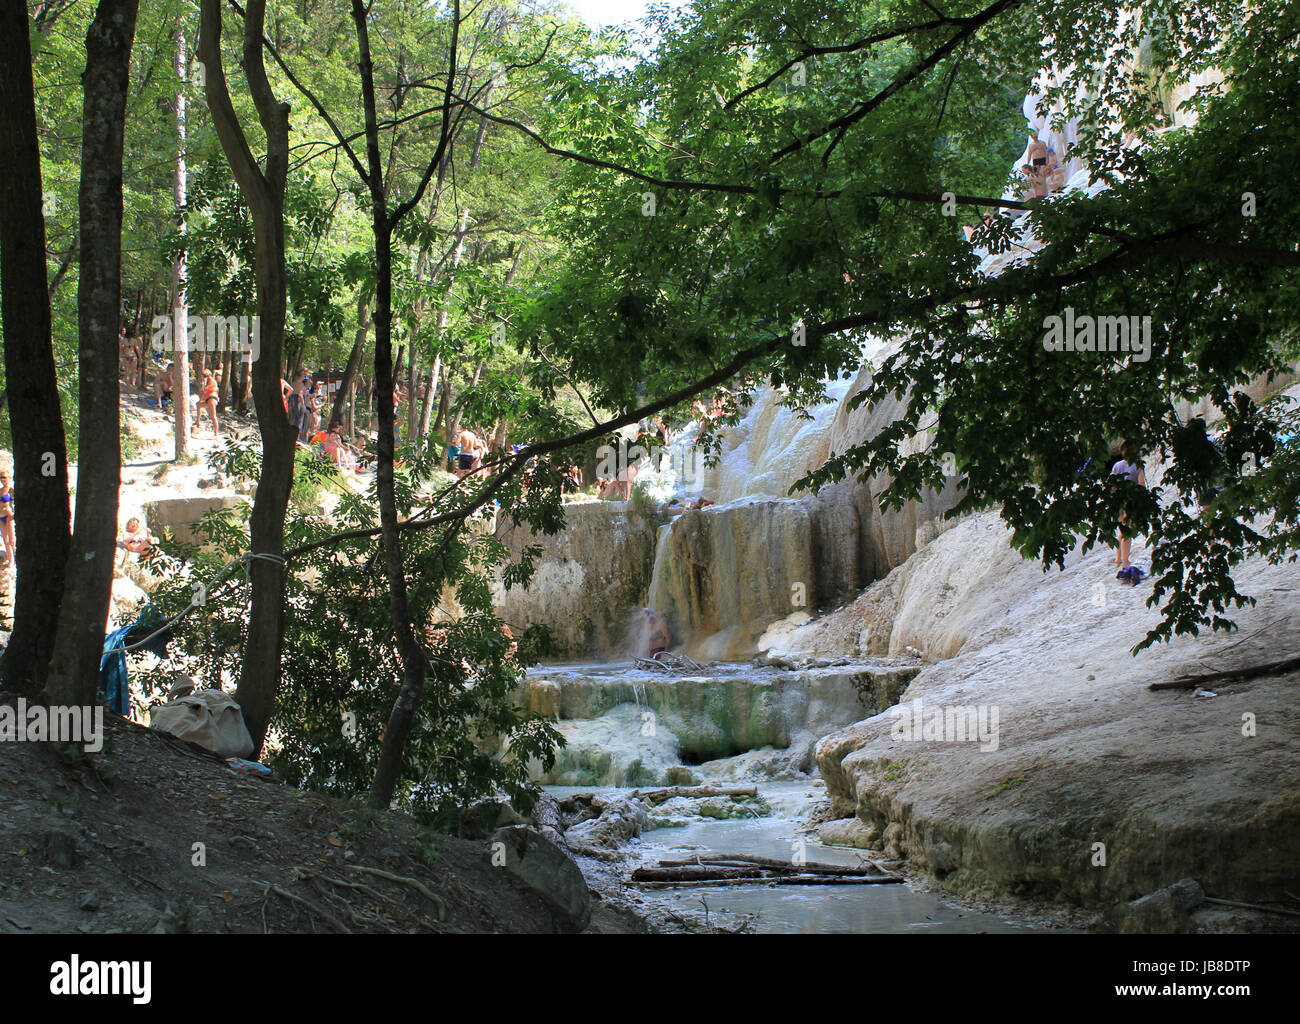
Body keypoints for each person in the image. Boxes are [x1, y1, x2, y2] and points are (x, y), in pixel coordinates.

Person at [1110, 442, 1147, 571]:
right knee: (1127, 533)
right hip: (1131, 502)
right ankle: (1125, 562)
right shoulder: (1138, 465)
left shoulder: (1116, 465)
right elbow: (1141, 485)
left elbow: (1112, 486)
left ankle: (1118, 559)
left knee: (1122, 530)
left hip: (1119, 501)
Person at [196, 368, 220, 435]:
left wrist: (203, 384)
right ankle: (198, 421)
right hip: (208, 399)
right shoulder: (209, 380)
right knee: (199, 405)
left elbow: (205, 391)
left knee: (213, 416)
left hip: (212, 399)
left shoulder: (211, 381)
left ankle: (216, 433)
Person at [0, 469, 13, 569]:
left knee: (11, 540)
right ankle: (10, 559)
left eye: (5, 477)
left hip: (9, 516)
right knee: (5, 539)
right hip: (1, 517)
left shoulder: (11, 490)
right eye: (1, 477)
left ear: (9, 478)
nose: (3, 479)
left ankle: (15, 560)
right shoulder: (1, 490)